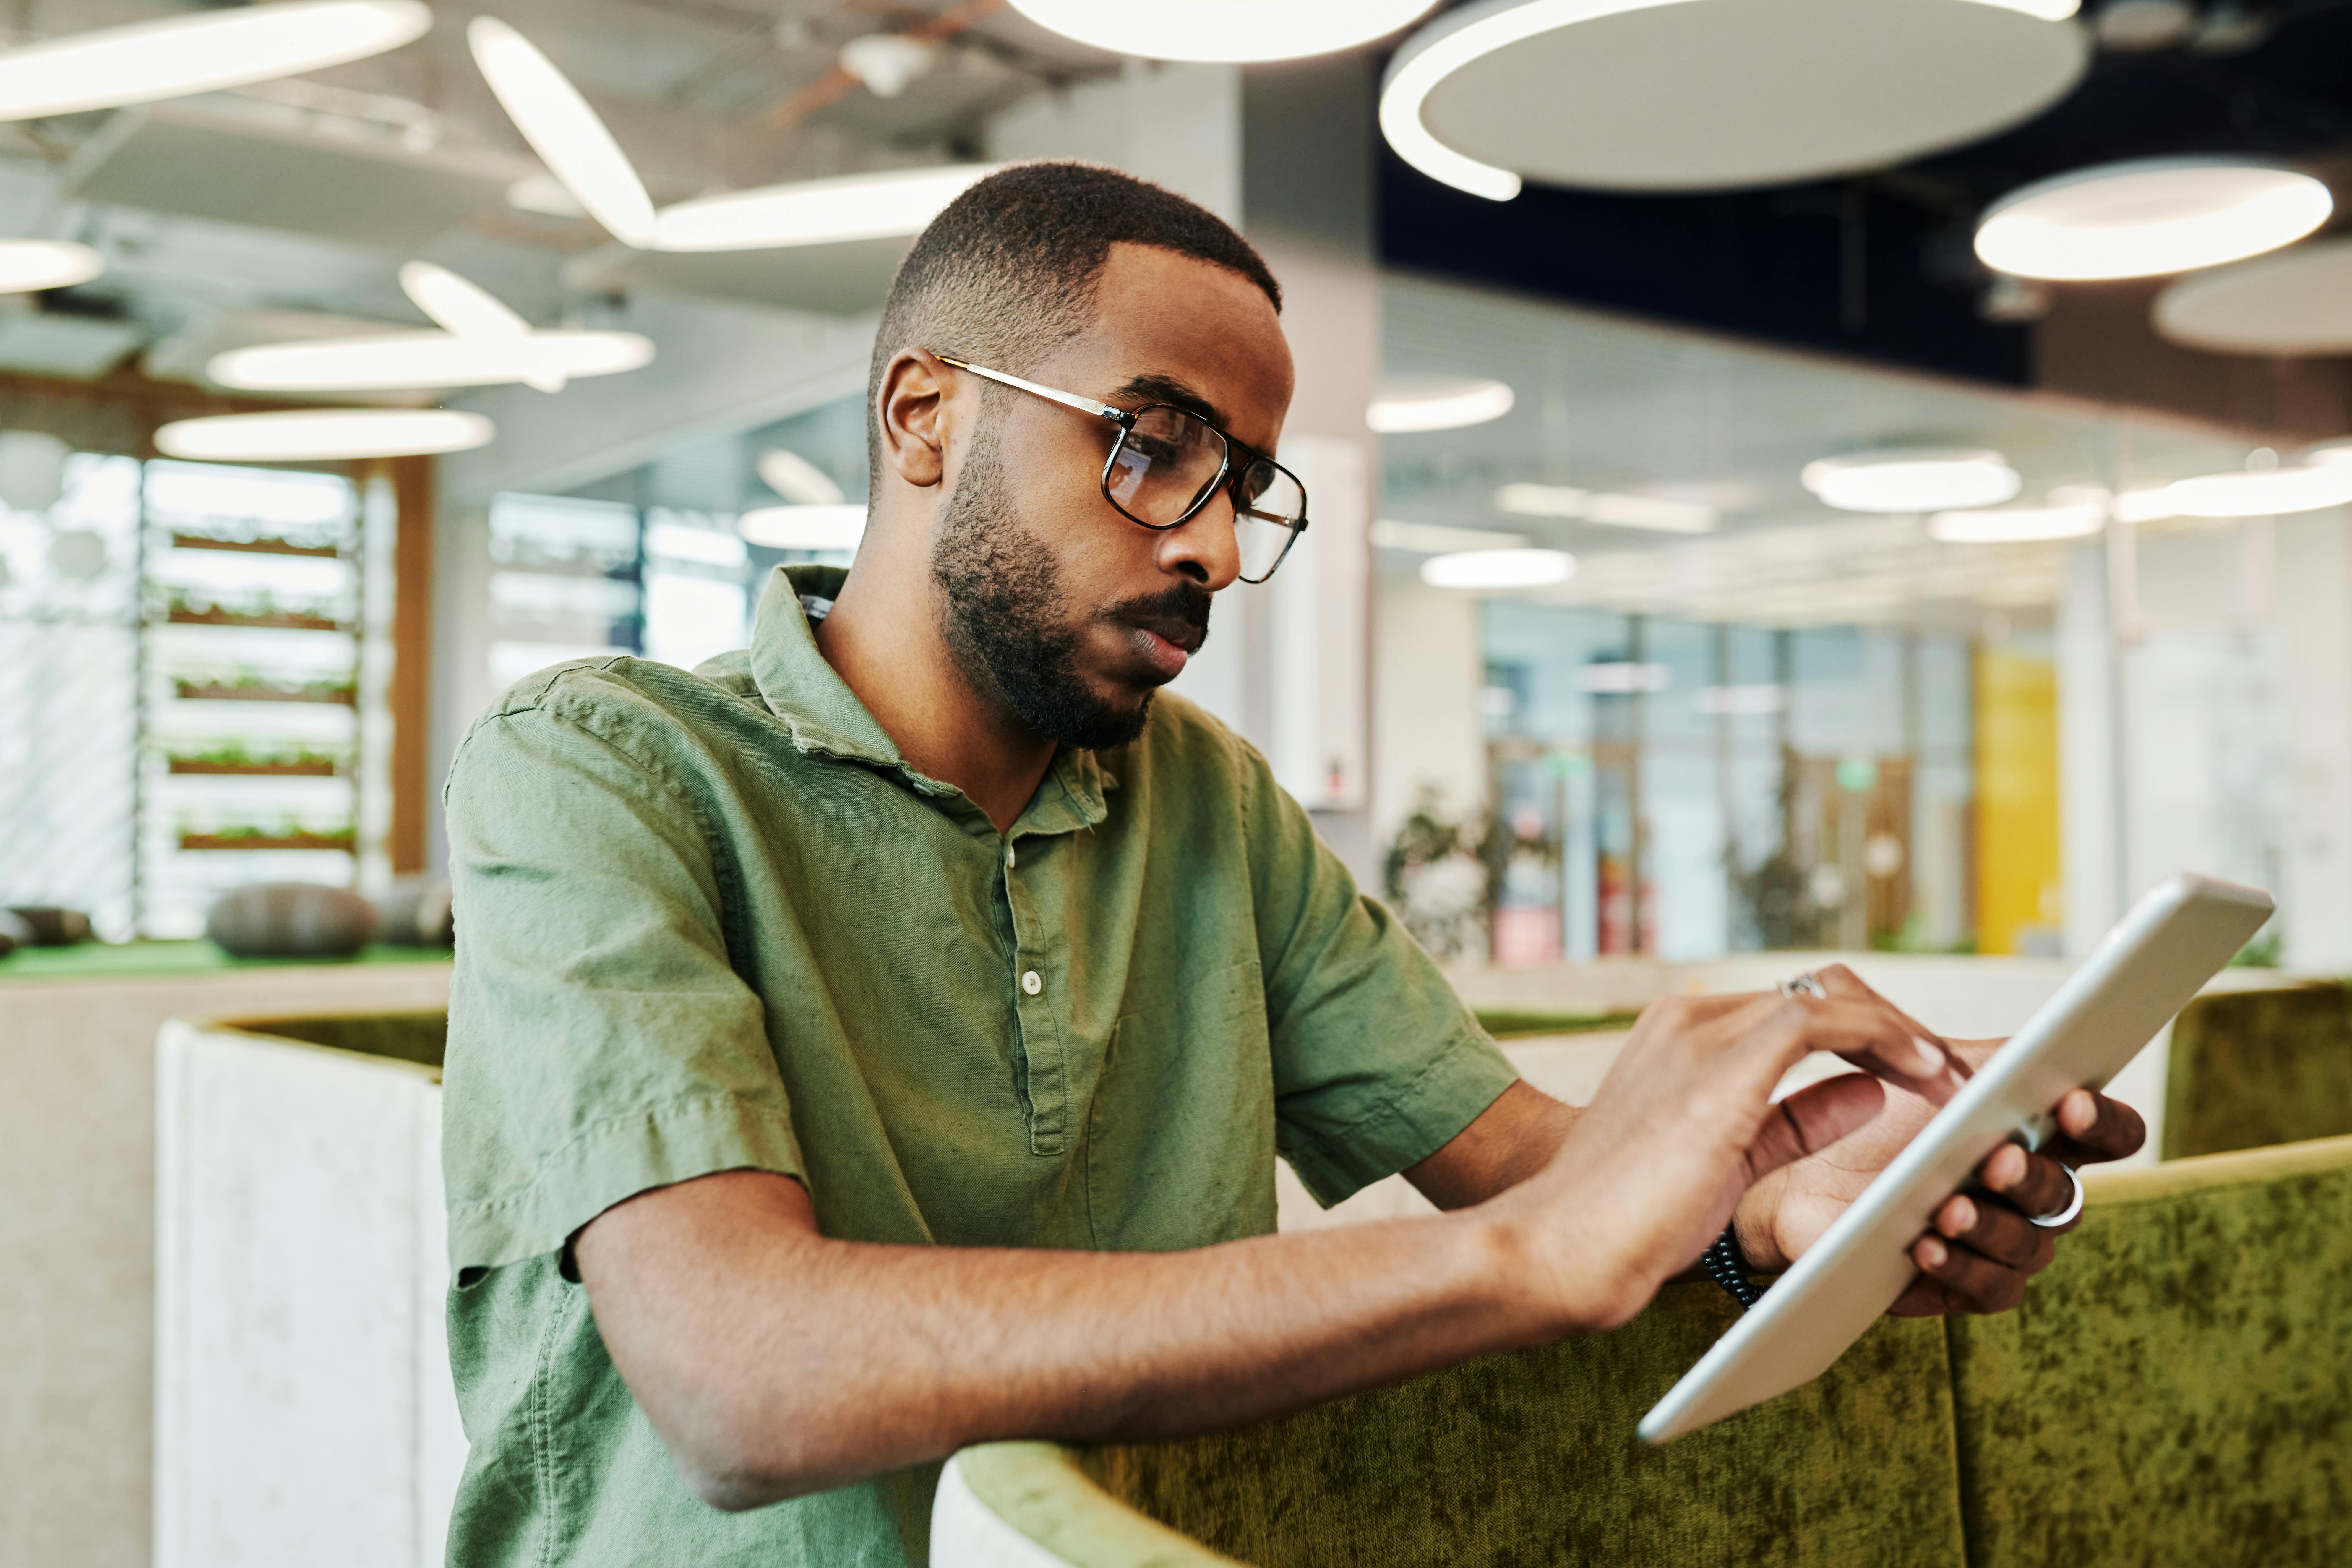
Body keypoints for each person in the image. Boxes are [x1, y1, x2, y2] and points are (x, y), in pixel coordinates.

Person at [439, 161, 2142, 1568]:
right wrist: (1524, 1263)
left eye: (1243, 486)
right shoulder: (599, 766)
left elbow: (1517, 1174)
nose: (1209, 544)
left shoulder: (1208, 802)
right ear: (925, 417)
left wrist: (1764, 1212)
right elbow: (738, 1380)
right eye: (1151, 444)